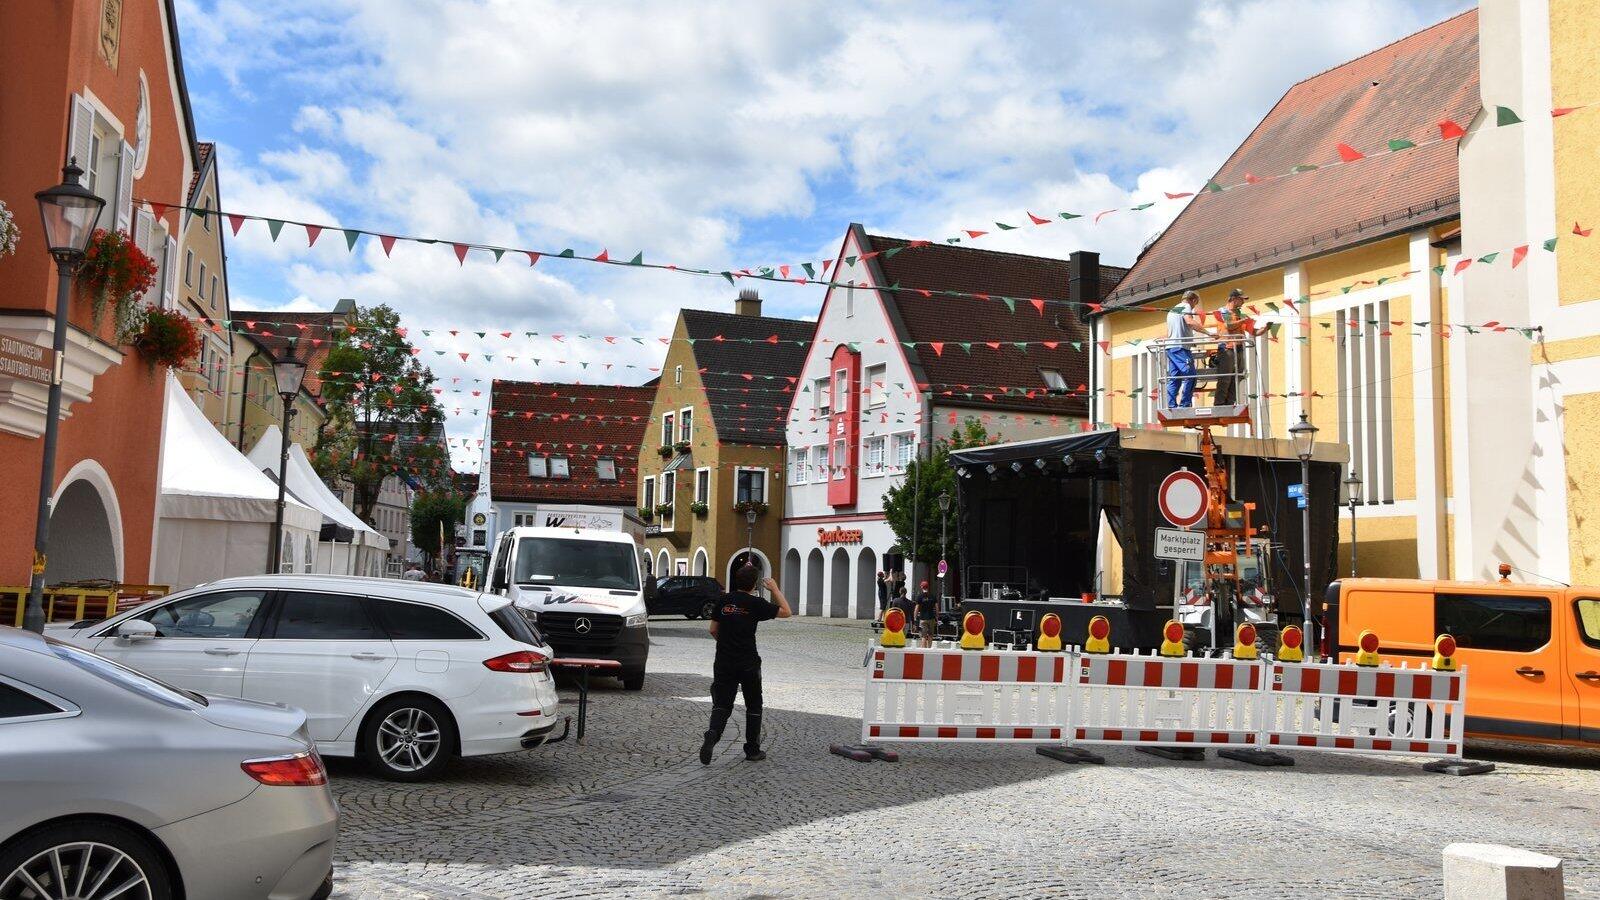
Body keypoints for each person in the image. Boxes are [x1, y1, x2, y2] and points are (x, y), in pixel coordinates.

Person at [700, 565, 791, 764]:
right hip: (748, 661)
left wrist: (726, 643)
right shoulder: (756, 603)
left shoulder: (723, 601)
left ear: (736, 581)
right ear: (754, 584)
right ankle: (752, 750)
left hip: (724, 660)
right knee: (753, 704)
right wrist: (774, 589)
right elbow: (786, 611)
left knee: (722, 703)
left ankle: (713, 734)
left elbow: (713, 629)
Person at [1212, 288, 1267, 406]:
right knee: (1226, 377)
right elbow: (1229, 326)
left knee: (1238, 377)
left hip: (1239, 349)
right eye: (1241, 299)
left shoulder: (1240, 314)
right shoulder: (1223, 311)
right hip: (1227, 348)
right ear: (1234, 299)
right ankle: (1220, 404)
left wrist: (1265, 328)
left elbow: (1253, 332)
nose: (1243, 302)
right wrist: (1243, 321)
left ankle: (1230, 402)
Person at [1164, 290, 1216, 410]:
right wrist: (1208, 333)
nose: (1194, 307)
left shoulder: (1172, 310)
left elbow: (1173, 330)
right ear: (1193, 300)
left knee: (1175, 378)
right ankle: (1185, 404)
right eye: (1195, 304)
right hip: (1180, 347)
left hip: (1171, 347)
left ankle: (1171, 405)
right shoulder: (1186, 307)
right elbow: (1189, 322)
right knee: (1191, 376)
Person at [914, 580, 938, 647]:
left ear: (922, 587)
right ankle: (929, 648)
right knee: (930, 635)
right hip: (931, 618)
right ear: (928, 587)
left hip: (923, 618)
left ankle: (923, 650)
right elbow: (936, 608)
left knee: (923, 636)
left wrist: (915, 618)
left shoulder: (919, 597)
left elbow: (916, 608)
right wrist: (937, 616)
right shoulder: (933, 596)